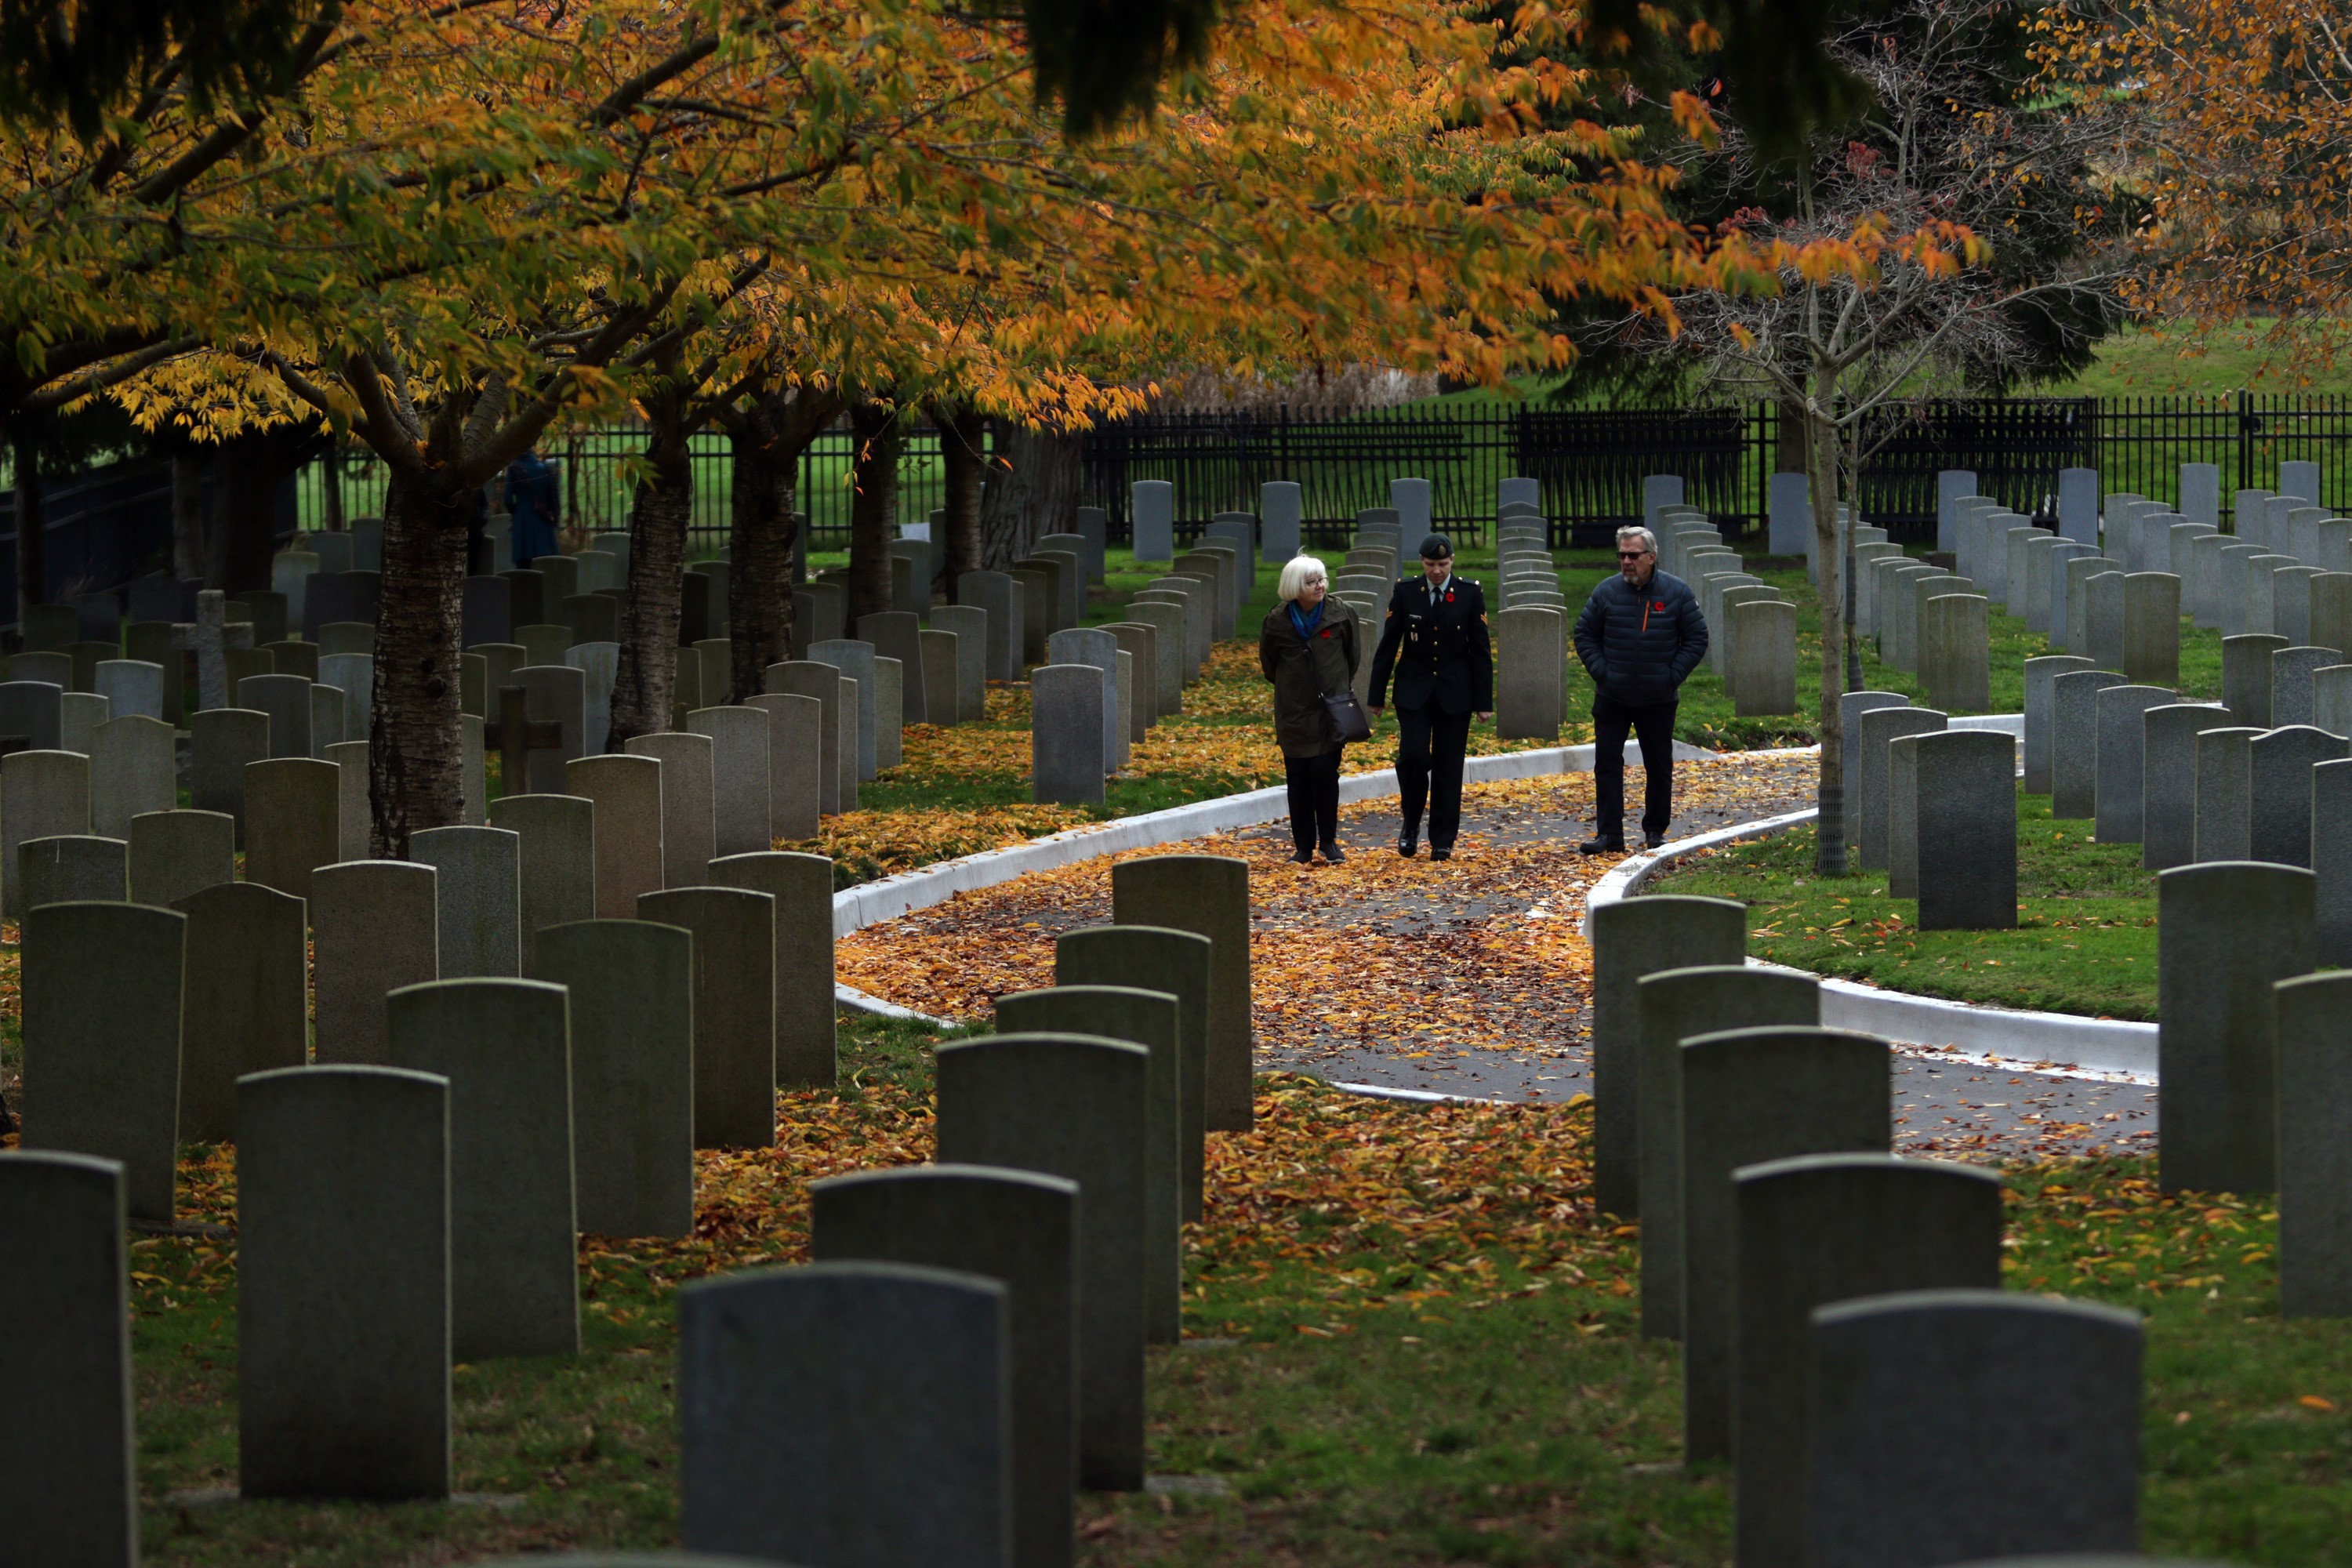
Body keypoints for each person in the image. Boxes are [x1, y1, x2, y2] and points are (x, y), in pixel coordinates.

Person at [1571, 523, 1708, 853]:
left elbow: (1696, 638)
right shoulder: (1606, 591)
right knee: (1606, 764)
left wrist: (1671, 676)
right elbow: (1584, 633)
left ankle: (1655, 830)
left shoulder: (1676, 592)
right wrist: (1603, 673)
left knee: (1658, 765)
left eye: (1633, 555)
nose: (1626, 561)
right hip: (1612, 695)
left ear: (1651, 556)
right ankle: (1609, 834)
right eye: (1621, 555)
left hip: (1657, 697)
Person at [1368, 533, 1492, 860]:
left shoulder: (1469, 593)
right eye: (1430, 564)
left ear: (1452, 562)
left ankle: (1442, 837)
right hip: (1414, 690)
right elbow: (1389, 645)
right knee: (1413, 756)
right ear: (1421, 563)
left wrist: (1484, 702)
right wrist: (1376, 695)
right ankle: (1410, 824)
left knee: (1449, 766)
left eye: (1442, 564)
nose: (1436, 571)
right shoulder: (1407, 592)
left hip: (1455, 692)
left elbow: (1480, 650)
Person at [1259, 552, 1364, 865]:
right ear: (1295, 586)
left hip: (1331, 708)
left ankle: (1329, 842)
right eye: (1311, 581)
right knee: (1298, 777)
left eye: (1322, 580)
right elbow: (1269, 665)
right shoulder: (1276, 620)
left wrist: (1337, 685)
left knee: (1324, 772)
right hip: (1294, 710)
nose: (1320, 586)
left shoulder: (1340, 613)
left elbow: (1352, 656)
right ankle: (1303, 846)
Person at [504, 445, 561, 568]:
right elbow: (554, 499)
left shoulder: (514, 469)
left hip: (522, 523)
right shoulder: (545, 468)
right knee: (546, 566)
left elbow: (508, 499)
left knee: (524, 570)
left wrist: (517, 512)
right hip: (544, 523)